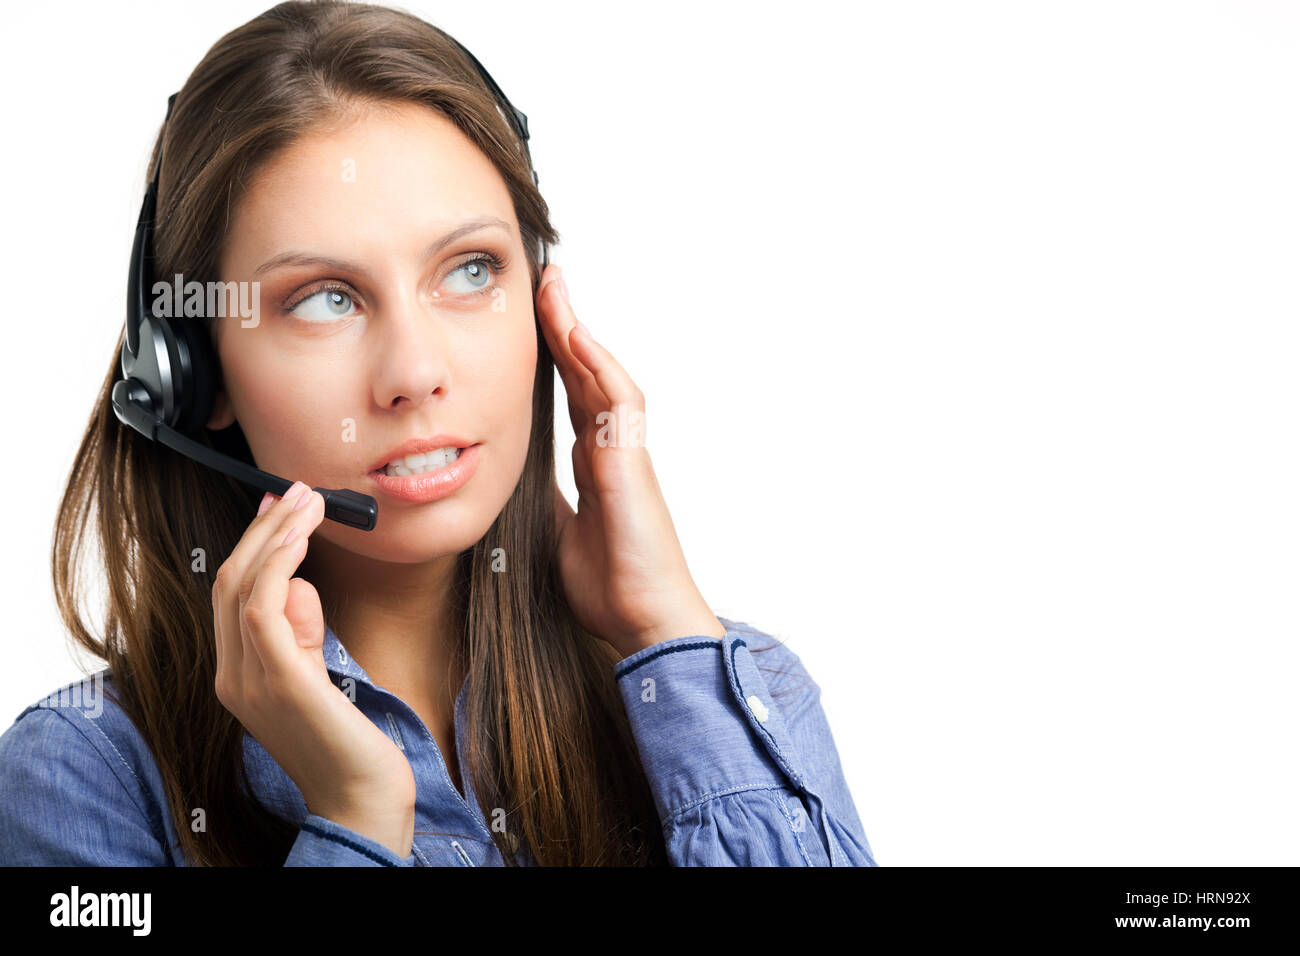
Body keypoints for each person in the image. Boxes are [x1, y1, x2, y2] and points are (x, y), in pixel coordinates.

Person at [0, 0, 878, 866]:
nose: (415, 372)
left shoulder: (737, 691)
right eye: (325, 299)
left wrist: (664, 631)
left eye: (469, 270)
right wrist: (356, 818)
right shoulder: (84, 778)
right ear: (193, 368)